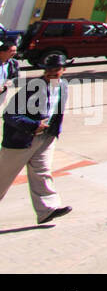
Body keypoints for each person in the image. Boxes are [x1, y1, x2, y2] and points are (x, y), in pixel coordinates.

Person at [1, 53, 73, 224]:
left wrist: (53, 131)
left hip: (46, 138)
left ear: (63, 70)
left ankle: (47, 210)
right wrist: (33, 125)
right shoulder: (32, 87)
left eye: (56, 70)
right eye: (48, 70)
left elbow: (56, 111)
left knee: (42, 173)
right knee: (3, 177)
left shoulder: (63, 85)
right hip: (21, 139)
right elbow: (9, 115)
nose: (51, 73)